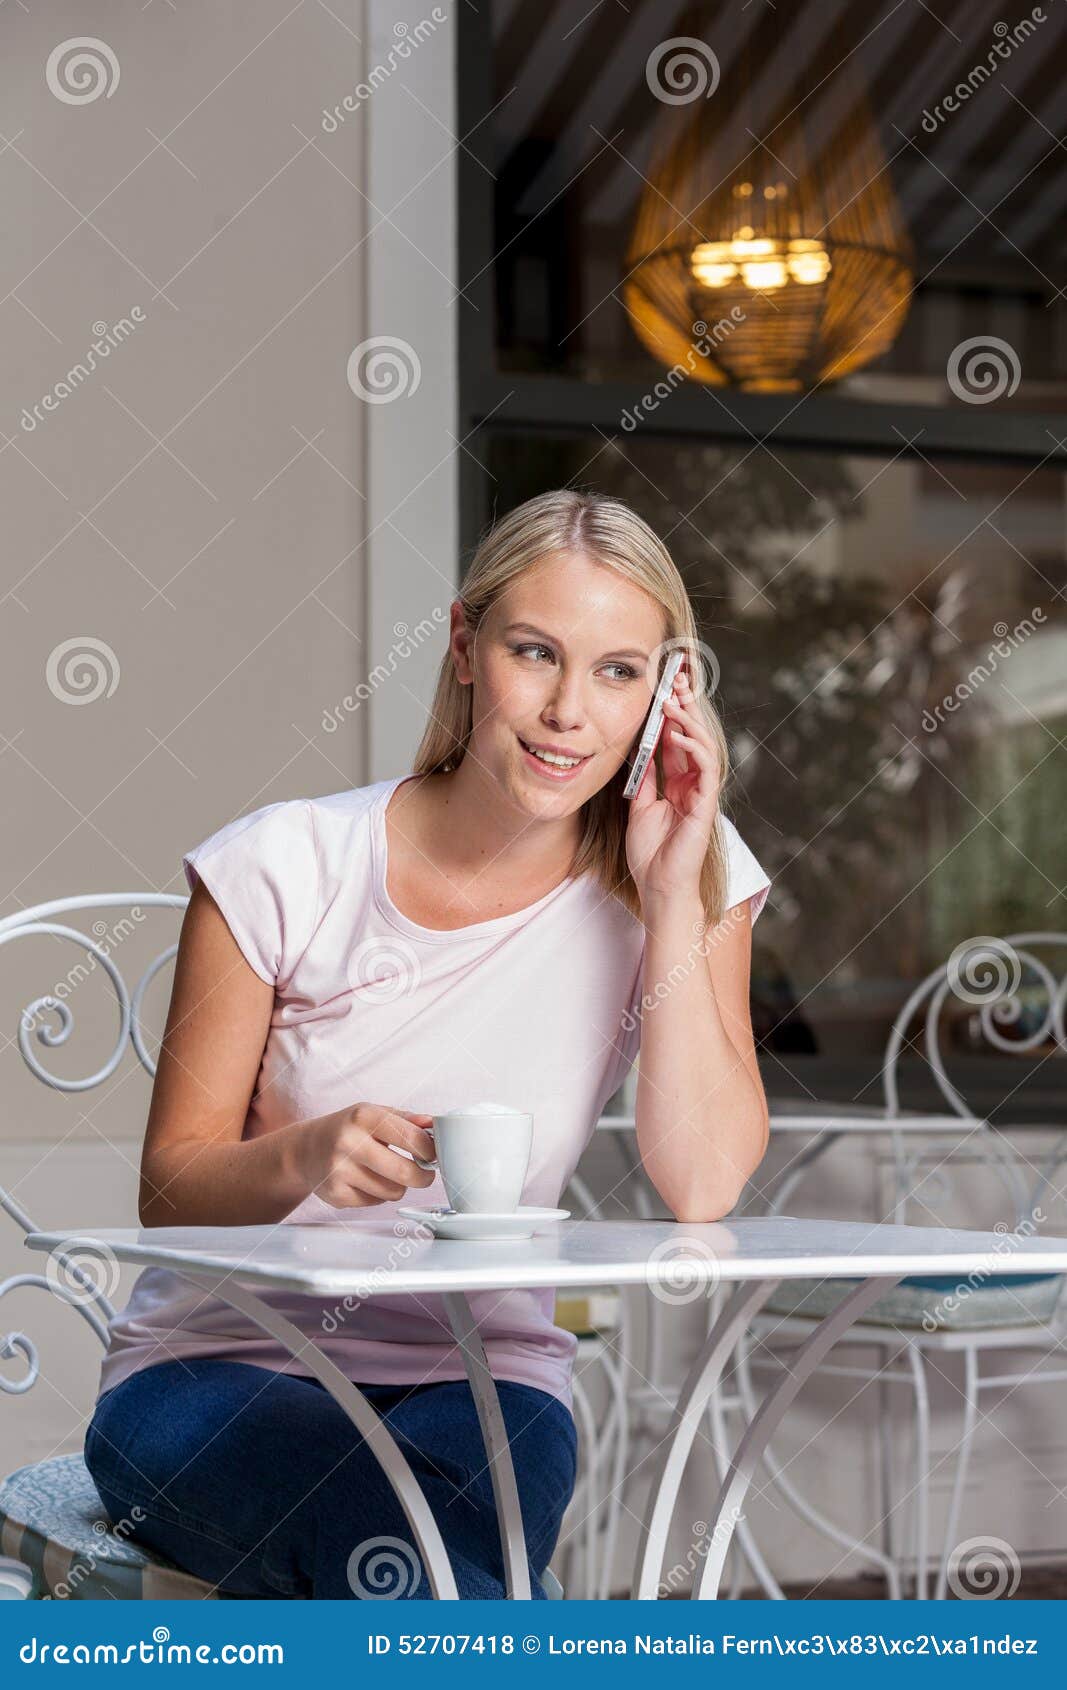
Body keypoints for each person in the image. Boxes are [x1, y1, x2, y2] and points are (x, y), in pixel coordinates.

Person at [82, 488, 773, 1600]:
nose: (566, 712)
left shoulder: (686, 876)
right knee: (410, 1567)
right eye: (534, 652)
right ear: (464, 647)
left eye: (615, 671)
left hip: (486, 1381)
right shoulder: (283, 865)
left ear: (664, 694)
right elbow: (171, 1188)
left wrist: (667, 888)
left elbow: (701, 1182)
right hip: (215, 1371)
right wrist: (302, 1157)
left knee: (402, 1573)